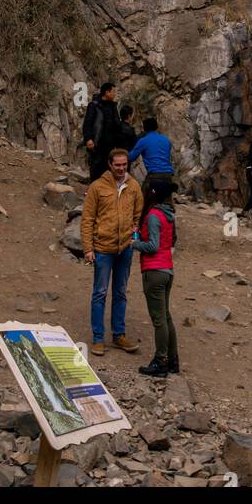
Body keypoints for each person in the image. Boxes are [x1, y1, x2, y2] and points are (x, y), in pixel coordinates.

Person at [80, 146, 143, 357]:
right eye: (117, 165)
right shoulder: (97, 187)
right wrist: (88, 248)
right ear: (110, 164)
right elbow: (87, 219)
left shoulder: (133, 186)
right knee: (100, 293)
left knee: (120, 292)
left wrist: (134, 239)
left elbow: (137, 216)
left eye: (124, 165)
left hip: (125, 248)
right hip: (103, 248)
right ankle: (98, 338)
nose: (121, 168)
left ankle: (119, 335)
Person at [132, 178, 179, 378]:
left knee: (159, 319)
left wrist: (133, 243)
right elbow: (169, 241)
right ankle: (173, 360)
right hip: (167, 269)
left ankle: (160, 362)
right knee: (166, 317)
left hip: (154, 271)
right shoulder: (169, 215)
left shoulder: (153, 215)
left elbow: (152, 246)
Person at [82, 82, 121, 182]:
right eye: (113, 92)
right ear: (107, 92)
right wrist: (88, 139)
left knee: (109, 171)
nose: (114, 94)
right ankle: (93, 194)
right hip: (97, 144)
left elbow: (117, 125)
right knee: (96, 170)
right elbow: (88, 123)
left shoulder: (113, 107)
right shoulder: (94, 105)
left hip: (111, 146)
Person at [129, 116, 174, 191]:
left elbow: (131, 157)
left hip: (154, 176)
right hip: (168, 175)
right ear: (157, 127)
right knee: (166, 200)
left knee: (142, 199)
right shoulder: (166, 139)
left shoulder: (143, 141)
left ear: (144, 128)